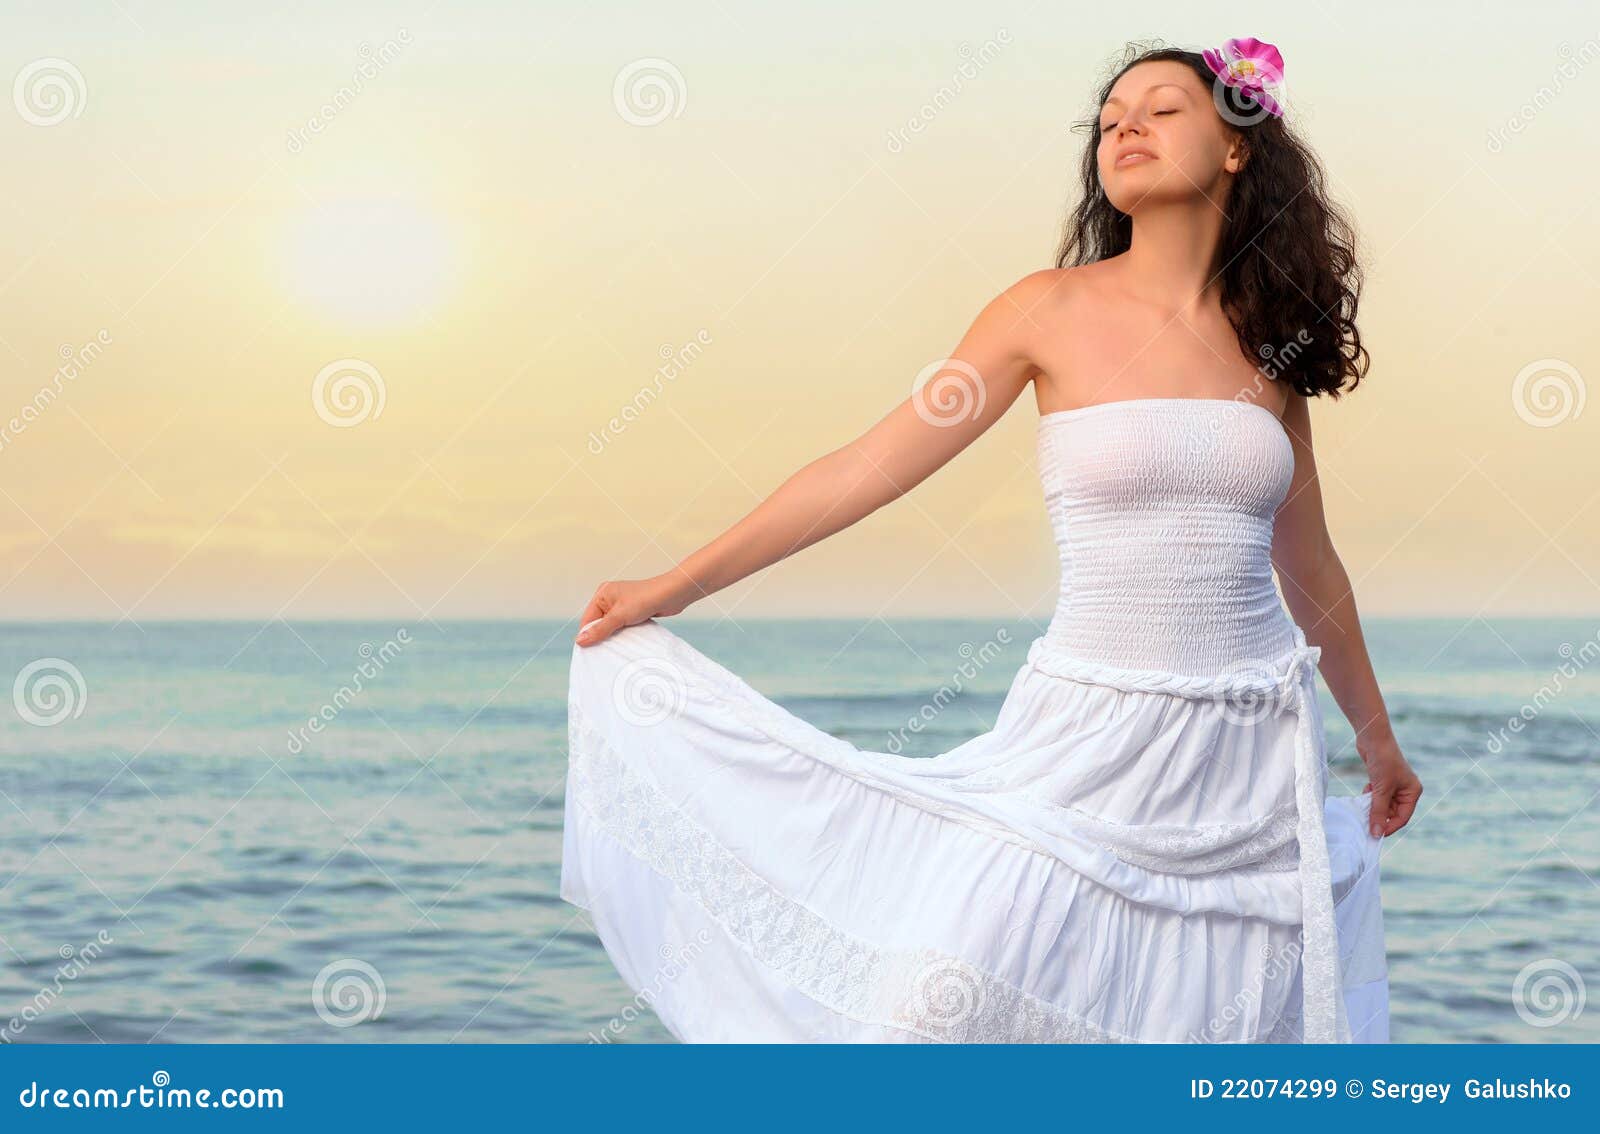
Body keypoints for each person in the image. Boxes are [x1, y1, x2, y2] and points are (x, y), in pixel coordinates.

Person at [561, 37, 1423, 1043]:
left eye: (1160, 108)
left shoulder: (1266, 346)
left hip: (1248, 762)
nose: (1125, 127)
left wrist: (1375, 738)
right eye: (1108, 121)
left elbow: (1308, 564)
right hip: (1084, 738)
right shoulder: (1041, 312)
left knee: (1209, 1029)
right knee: (934, 1013)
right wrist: (675, 584)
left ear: (1236, 150)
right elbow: (868, 465)